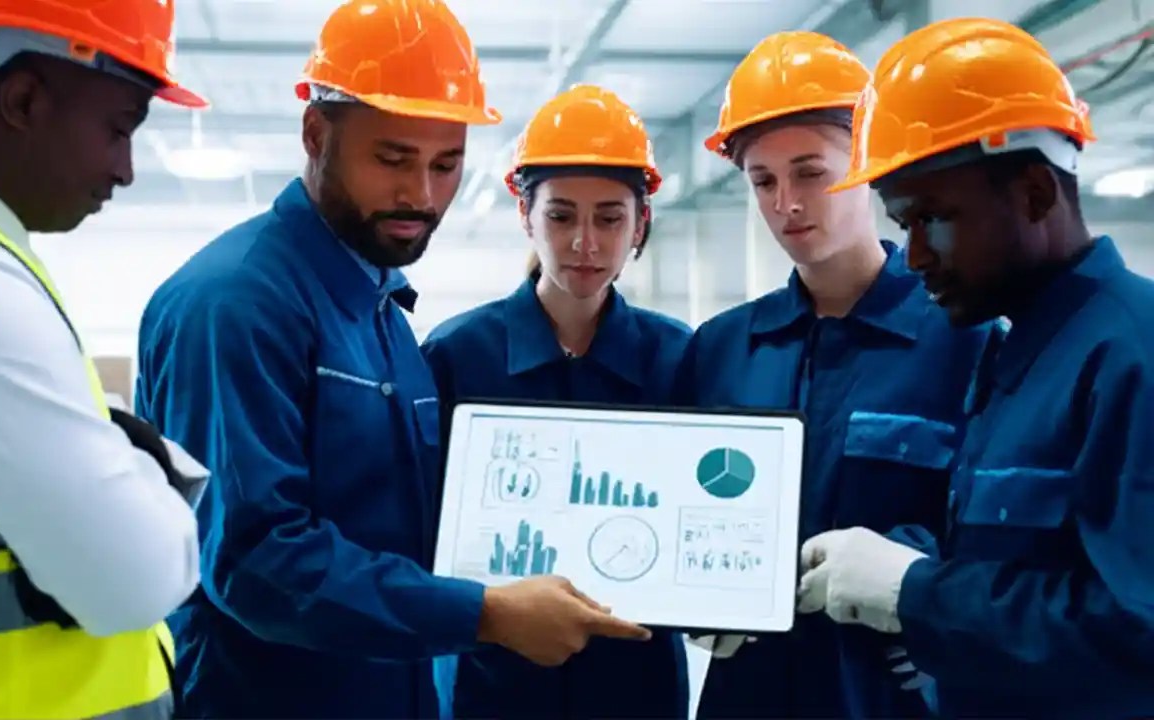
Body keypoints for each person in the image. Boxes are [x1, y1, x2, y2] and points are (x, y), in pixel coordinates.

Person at [131, 3, 651, 718]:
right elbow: (256, 560)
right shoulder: (237, 304)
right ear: (316, 135)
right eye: (392, 159)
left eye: (446, 165)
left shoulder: (381, 313)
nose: (422, 195)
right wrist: (485, 613)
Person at [796, 17, 1154, 719]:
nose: (915, 257)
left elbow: (1135, 626)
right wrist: (914, 563)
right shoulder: (1016, 351)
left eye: (933, 218)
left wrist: (913, 592)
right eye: (903, 227)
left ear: (1035, 193)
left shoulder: (1130, 356)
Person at [0, 1, 207, 719]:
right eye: (119, 129)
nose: (125, 170)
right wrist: (152, 478)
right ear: (23, 99)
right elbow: (138, 577)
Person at [674, 31, 993, 719]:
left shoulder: (964, 339)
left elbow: (1002, 539)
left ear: (867, 162)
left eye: (810, 172)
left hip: (891, 691)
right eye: (763, 181)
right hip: (746, 694)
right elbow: (680, 510)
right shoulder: (722, 348)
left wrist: (916, 581)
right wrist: (690, 595)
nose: (786, 202)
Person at [421, 84, 691, 720]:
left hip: (638, 686)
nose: (585, 243)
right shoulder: (456, 357)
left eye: (610, 218)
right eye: (561, 216)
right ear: (525, 214)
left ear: (640, 223)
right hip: (493, 686)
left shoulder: (679, 359)